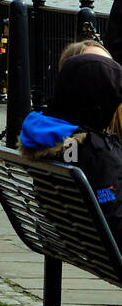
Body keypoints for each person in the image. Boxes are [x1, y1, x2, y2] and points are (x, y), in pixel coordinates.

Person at [20, 41, 122, 243]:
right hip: (107, 248)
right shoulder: (97, 151)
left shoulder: (62, 142)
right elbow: (114, 218)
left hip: (72, 237)